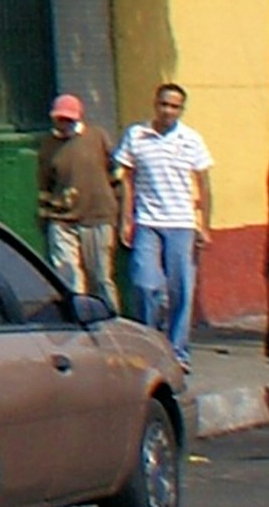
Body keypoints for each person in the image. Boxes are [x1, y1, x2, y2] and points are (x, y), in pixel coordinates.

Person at [115, 83, 215, 361]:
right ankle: (150, 346)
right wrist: (126, 220)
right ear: (155, 104)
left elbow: (204, 185)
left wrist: (204, 225)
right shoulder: (137, 136)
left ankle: (178, 352)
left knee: (180, 289)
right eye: (164, 105)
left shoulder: (191, 140)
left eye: (175, 107)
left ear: (181, 110)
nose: (168, 111)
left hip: (182, 224)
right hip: (147, 223)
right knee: (144, 285)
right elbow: (127, 181)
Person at [35, 92, 118, 312]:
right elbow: (45, 184)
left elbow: (115, 174)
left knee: (100, 277)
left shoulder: (96, 137)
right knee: (68, 274)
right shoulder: (48, 145)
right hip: (62, 218)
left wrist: (120, 210)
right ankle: (77, 319)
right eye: (59, 118)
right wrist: (44, 215)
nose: (63, 124)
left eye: (68, 119)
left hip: (97, 216)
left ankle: (110, 319)